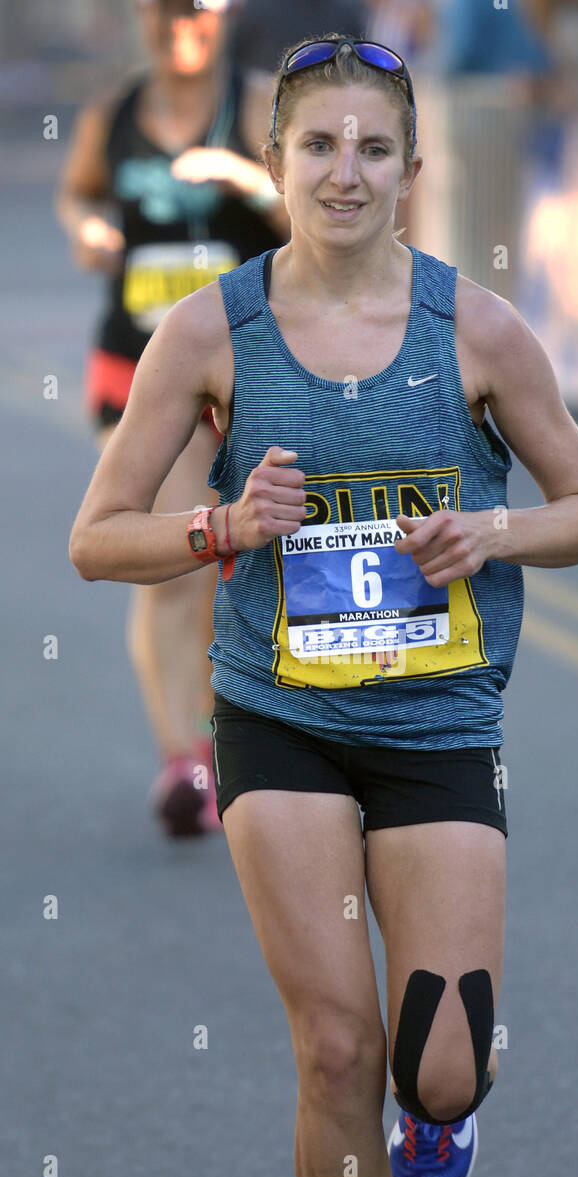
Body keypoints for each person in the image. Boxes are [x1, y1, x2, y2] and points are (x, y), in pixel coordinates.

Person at [69, 32, 578, 1177]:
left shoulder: (478, 330)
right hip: (280, 720)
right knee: (333, 1048)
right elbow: (97, 539)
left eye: (372, 148)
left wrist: (490, 528)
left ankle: (437, 1111)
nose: (344, 172)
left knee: (438, 1062)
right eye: (318, 145)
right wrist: (222, 523)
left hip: (437, 720)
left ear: (413, 167)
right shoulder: (210, 334)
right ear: (272, 162)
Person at [56, 0, 289, 836]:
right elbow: (79, 194)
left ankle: (243, 736)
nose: (179, 25)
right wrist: (87, 230)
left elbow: (321, 210)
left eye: (197, 12)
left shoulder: (263, 105)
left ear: (224, 17)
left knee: (241, 561)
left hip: (247, 370)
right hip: (138, 366)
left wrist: (241, 179)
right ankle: (184, 759)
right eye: (164, 11)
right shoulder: (113, 114)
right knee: (181, 555)